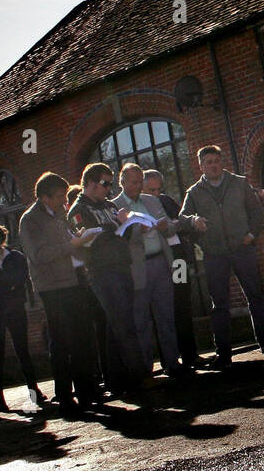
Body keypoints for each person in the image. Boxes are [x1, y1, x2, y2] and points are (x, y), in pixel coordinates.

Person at [179, 145, 264, 368]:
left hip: (243, 248)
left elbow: (256, 212)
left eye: (216, 160)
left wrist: (252, 235)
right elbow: (183, 221)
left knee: (256, 295)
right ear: (201, 166)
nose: (213, 165)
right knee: (220, 304)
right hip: (215, 255)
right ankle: (223, 352)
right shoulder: (194, 192)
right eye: (208, 162)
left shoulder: (239, 183)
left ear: (221, 161)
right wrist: (197, 228)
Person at [20, 172, 100, 415]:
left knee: (83, 337)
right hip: (54, 287)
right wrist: (72, 245)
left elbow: (69, 240)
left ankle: (88, 391)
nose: (64, 201)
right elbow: (38, 255)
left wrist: (81, 239)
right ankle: (65, 395)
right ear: (43, 197)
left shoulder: (61, 215)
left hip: (76, 281)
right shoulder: (30, 220)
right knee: (62, 340)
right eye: (58, 197)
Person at [67, 163, 148, 396]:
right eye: (105, 183)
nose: (108, 188)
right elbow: (91, 240)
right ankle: (138, 374)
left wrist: (128, 225)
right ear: (90, 183)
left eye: (111, 184)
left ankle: (116, 379)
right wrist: (118, 226)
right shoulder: (78, 209)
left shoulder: (110, 205)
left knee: (116, 325)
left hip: (122, 267)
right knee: (122, 323)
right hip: (102, 272)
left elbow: (124, 236)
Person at [112, 163, 188, 379]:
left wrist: (167, 226)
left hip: (161, 263)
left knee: (166, 315)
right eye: (134, 182)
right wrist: (137, 231)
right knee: (141, 320)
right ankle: (146, 368)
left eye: (140, 182)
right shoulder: (115, 206)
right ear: (123, 182)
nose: (138, 186)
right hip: (137, 267)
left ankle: (172, 363)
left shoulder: (152, 201)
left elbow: (172, 228)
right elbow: (118, 241)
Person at [143, 169, 203, 369]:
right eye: (151, 190)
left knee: (183, 304)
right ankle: (170, 358)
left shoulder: (166, 201)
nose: (156, 194)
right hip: (161, 262)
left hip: (178, 260)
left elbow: (181, 220)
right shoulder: (140, 205)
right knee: (163, 310)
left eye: (159, 189)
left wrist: (184, 223)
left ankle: (190, 354)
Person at [0, 224, 43, 411]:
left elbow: (19, 279)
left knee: (22, 350)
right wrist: (4, 284)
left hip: (15, 309)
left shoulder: (15, 257)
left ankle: (35, 392)